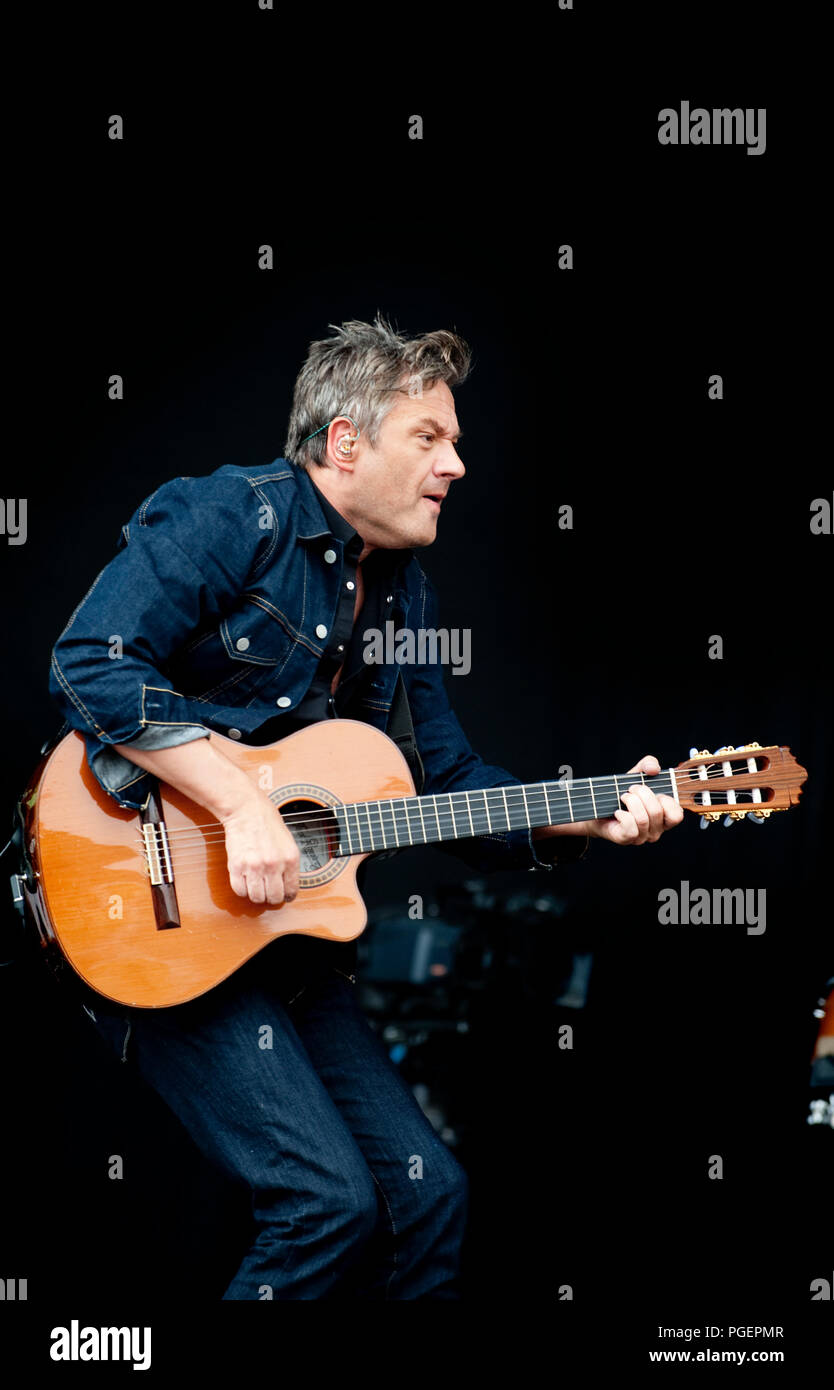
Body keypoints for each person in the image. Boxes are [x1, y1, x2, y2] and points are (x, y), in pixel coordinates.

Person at [48, 315, 684, 1299]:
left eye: (460, 441)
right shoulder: (234, 514)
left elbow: (448, 784)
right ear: (346, 443)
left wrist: (588, 813)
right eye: (431, 438)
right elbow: (90, 658)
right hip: (155, 913)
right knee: (325, 1201)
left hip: (293, 945)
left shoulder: (403, 597)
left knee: (429, 1196)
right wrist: (242, 807)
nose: (458, 465)